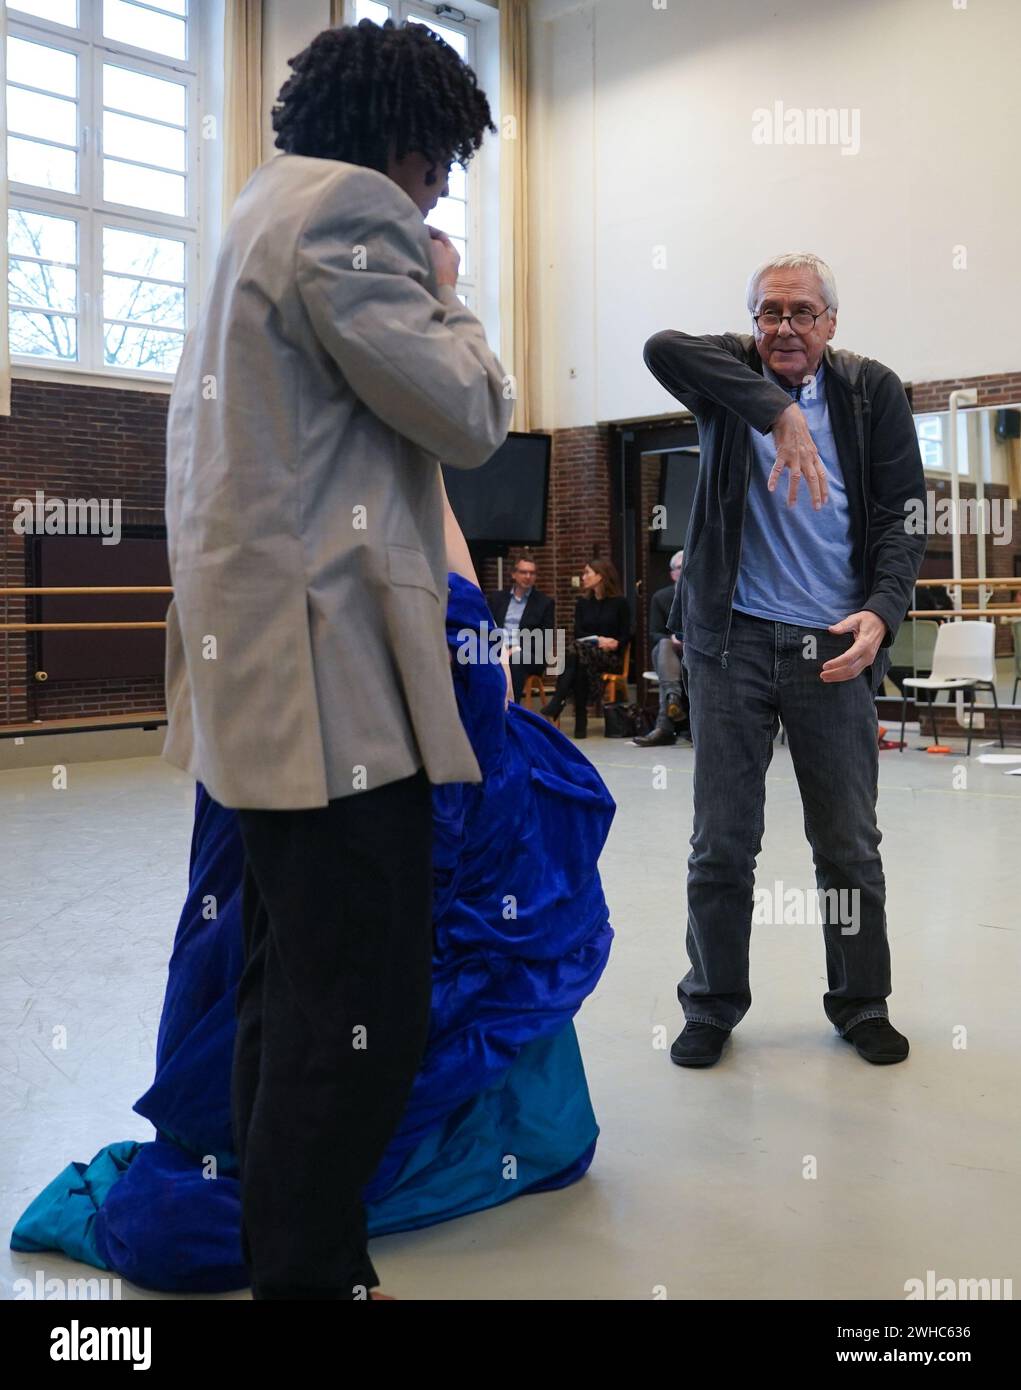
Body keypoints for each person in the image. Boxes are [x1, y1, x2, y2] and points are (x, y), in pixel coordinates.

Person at [10, 504, 615, 1296]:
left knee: (339, 947)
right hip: (325, 681)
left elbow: (432, 487)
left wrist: (475, 656)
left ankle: (303, 1183)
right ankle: (299, 1196)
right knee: (315, 952)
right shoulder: (296, 417)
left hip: (363, 668)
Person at [161, 20, 512, 1300]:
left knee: (283, 991)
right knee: (361, 1017)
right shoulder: (356, 217)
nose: (434, 196)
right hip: (332, 690)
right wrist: (447, 280)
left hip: (258, 681)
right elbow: (468, 413)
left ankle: (291, 1258)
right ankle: (311, 1275)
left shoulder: (256, 208)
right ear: (412, 145)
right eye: (440, 171)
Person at [644, 251, 925, 1069]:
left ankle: (860, 1001)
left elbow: (902, 521)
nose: (784, 327)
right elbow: (662, 345)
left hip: (832, 645)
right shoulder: (728, 374)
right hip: (729, 643)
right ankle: (710, 1004)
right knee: (721, 843)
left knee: (846, 843)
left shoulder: (871, 391)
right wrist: (776, 414)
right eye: (769, 312)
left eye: (803, 312)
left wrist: (880, 612)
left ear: (831, 322)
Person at [540, 560, 631, 738]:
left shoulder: (620, 603)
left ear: (600, 576)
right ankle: (578, 722)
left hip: (610, 656)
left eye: (587, 573)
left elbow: (626, 634)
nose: (583, 577)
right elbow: (578, 632)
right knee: (579, 658)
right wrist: (596, 640)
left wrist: (615, 643)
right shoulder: (583, 603)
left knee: (574, 652)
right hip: (586, 653)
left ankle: (560, 702)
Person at [634, 550, 690, 747]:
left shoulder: (703, 597)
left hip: (697, 653)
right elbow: (654, 633)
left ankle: (665, 726)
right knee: (664, 644)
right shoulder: (661, 597)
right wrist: (673, 638)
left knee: (664, 654)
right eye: (680, 568)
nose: (685, 572)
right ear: (672, 574)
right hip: (671, 654)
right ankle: (672, 698)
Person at [487, 554, 556, 702]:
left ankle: (512, 707)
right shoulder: (497, 599)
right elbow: (488, 627)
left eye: (532, 573)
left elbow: (545, 638)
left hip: (530, 654)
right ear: (514, 574)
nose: (528, 576)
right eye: (523, 572)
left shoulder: (544, 603)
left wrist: (516, 648)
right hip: (499, 649)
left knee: (516, 659)